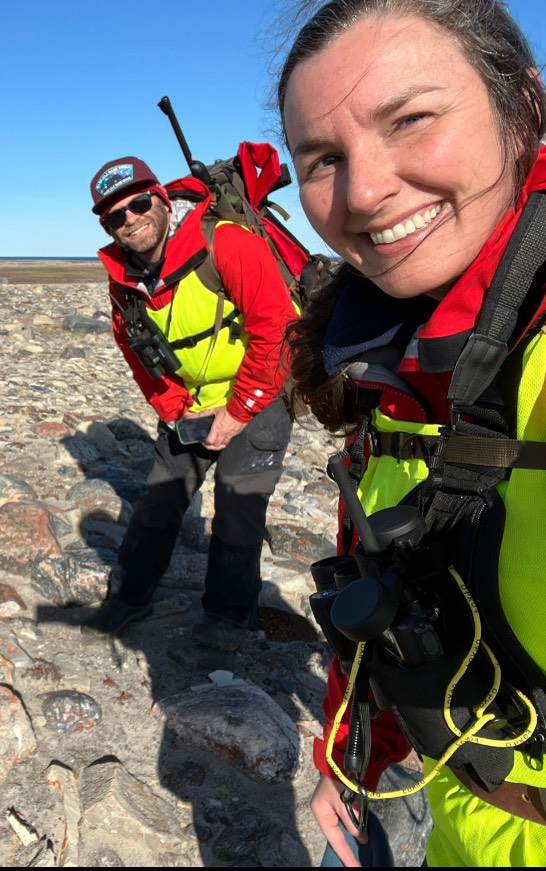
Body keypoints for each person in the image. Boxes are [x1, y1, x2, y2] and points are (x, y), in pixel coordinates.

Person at [279, 0, 546, 865]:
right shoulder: (380, 359)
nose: (362, 192)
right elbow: (386, 587)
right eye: (323, 160)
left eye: (410, 120)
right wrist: (350, 753)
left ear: (523, 108)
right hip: (462, 822)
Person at [82, 156, 298, 644]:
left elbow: (277, 333)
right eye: (115, 217)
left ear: (161, 199)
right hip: (193, 403)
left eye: (139, 204)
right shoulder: (123, 282)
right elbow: (137, 353)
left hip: (261, 393)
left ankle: (226, 622)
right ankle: (128, 598)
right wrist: (176, 410)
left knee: (238, 508)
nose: (131, 219)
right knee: (158, 503)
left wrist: (237, 413)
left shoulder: (227, 243)